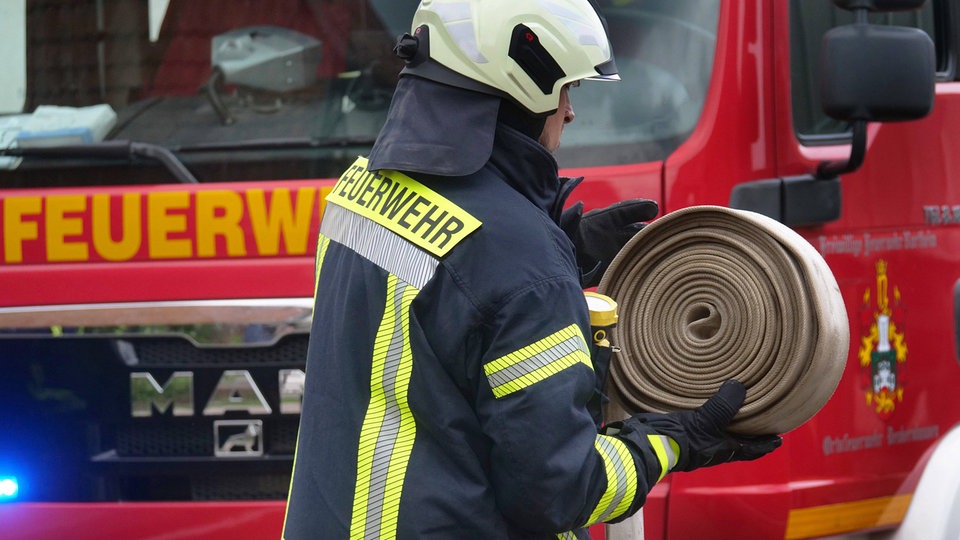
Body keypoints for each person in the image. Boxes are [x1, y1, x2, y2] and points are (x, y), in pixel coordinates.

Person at [282, 1, 781, 538]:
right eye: (568, 89)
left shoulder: (359, 191)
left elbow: (445, 297)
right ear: (525, 86)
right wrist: (671, 441)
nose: (570, 112)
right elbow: (557, 490)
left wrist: (563, 244)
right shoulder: (518, 262)